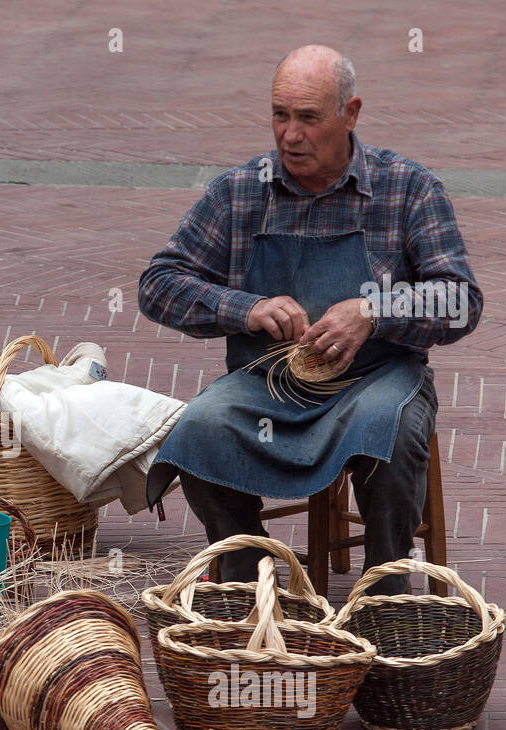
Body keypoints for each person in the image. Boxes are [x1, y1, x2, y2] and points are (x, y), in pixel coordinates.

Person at [139, 45, 482, 594]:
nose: (290, 136)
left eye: (308, 118)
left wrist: (375, 310)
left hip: (378, 381)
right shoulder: (239, 193)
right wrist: (244, 307)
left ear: (351, 114)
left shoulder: (407, 189)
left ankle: (384, 597)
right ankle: (251, 584)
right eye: (280, 115)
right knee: (197, 430)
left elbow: (461, 299)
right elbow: (158, 284)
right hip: (265, 385)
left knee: (387, 434)